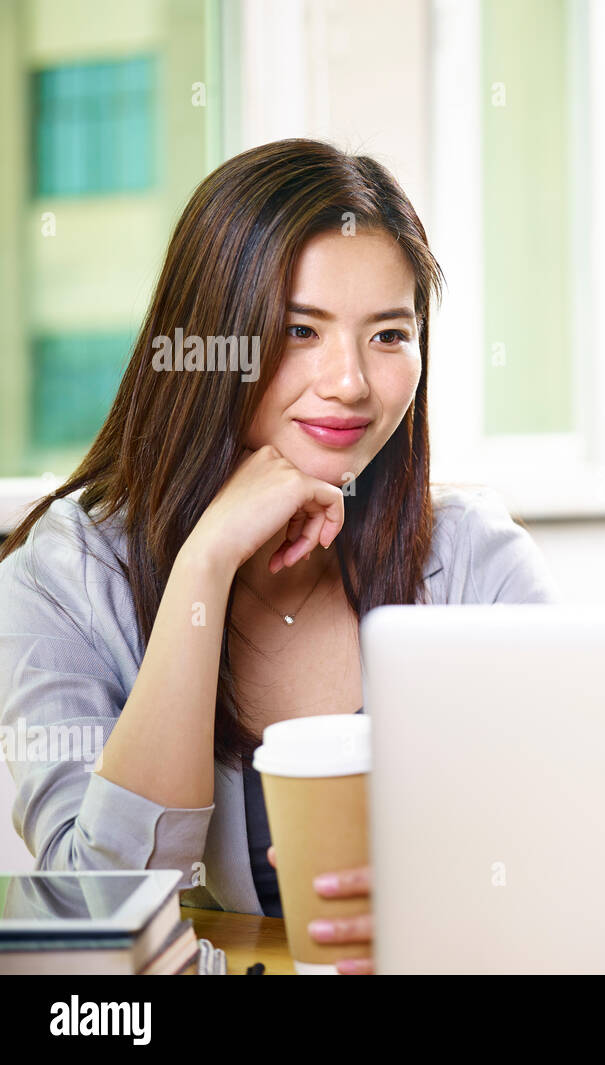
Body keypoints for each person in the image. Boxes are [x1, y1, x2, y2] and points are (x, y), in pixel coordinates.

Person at [0, 138, 558, 974]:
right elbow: (99, 919)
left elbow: (579, 840)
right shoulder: (60, 577)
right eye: (301, 329)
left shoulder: (473, 558)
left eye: (389, 334)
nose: (350, 383)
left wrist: (451, 903)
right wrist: (204, 566)